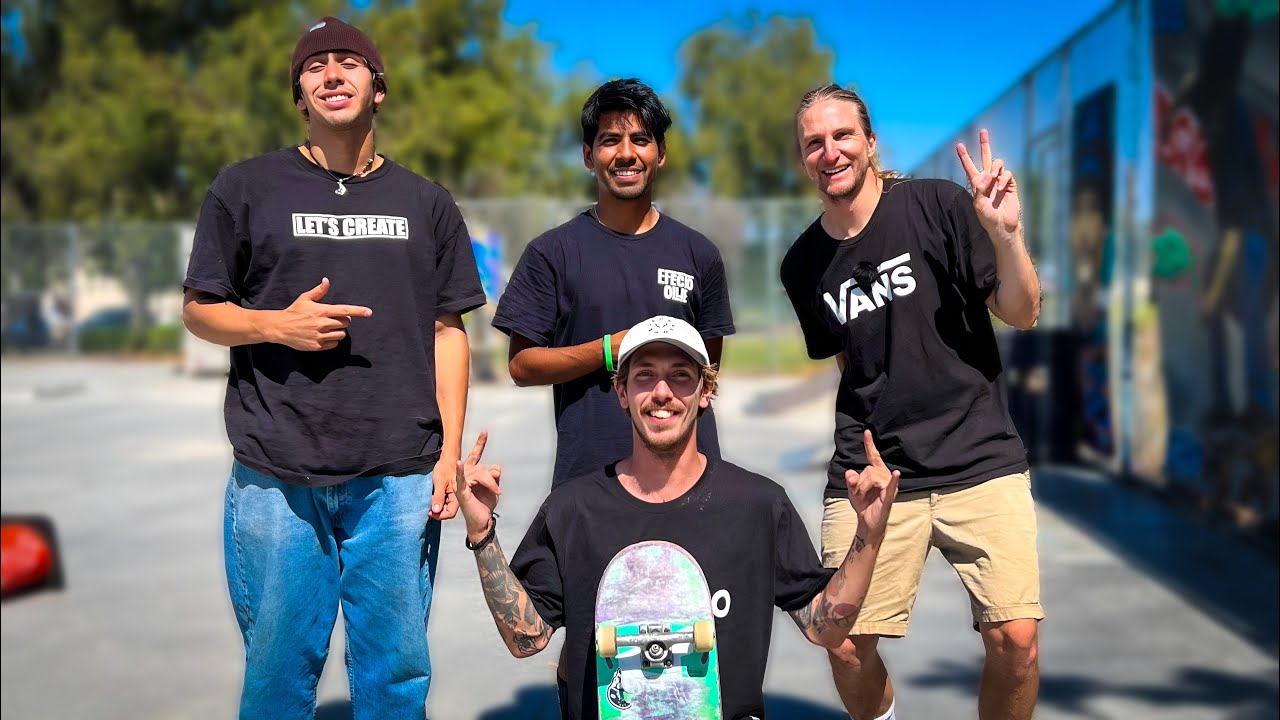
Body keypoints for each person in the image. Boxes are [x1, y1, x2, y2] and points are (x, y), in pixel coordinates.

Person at [181, 16, 485, 719]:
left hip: (399, 478)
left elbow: (449, 329)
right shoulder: (247, 188)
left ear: (378, 88)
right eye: (314, 67)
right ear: (299, 96)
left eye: (350, 62)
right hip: (278, 476)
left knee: (396, 675)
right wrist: (273, 325)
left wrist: (448, 450)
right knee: (280, 675)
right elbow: (200, 309)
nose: (332, 74)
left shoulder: (426, 203)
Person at [453, 315, 898, 720]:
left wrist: (869, 536)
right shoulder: (573, 509)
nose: (661, 393)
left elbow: (825, 627)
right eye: (644, 376)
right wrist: (482, 532)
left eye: (680, 377)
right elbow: (525, 639)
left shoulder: (757, 505)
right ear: (622, 394)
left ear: (706, 392)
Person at [781, 84, 1043, 720]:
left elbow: (1023, 311)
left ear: (870, 144)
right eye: (814, 142)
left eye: (843, 135)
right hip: (874, 472)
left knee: (1017, 643)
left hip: (977, 456)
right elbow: (850, 359)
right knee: (840, 641)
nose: (830, 151)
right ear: (804, 161)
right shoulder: (802, 265)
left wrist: (1006, 236)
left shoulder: (940, 206)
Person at [492, 78, 735, 487]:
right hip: (589, 481)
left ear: (661, 154)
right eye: (610, 140)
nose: (626, 153)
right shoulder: (553, 252)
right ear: (588, 155)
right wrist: (610, 350)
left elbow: (707, 369)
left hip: (687, 482)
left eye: (641, 139)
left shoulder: (699, 254)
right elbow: (521, 365)